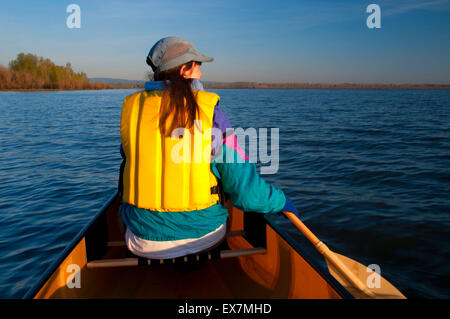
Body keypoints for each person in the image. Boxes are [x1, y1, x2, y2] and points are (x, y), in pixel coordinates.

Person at [119, 36, 298, 260]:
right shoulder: (211, 113)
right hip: (203, 237)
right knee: (225, 195)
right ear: (185, 70)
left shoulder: (132, 111)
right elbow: (247, 194)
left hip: (141, 239)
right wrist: (281, 202)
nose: (201, 74)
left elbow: (128, 163)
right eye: (197, 67)